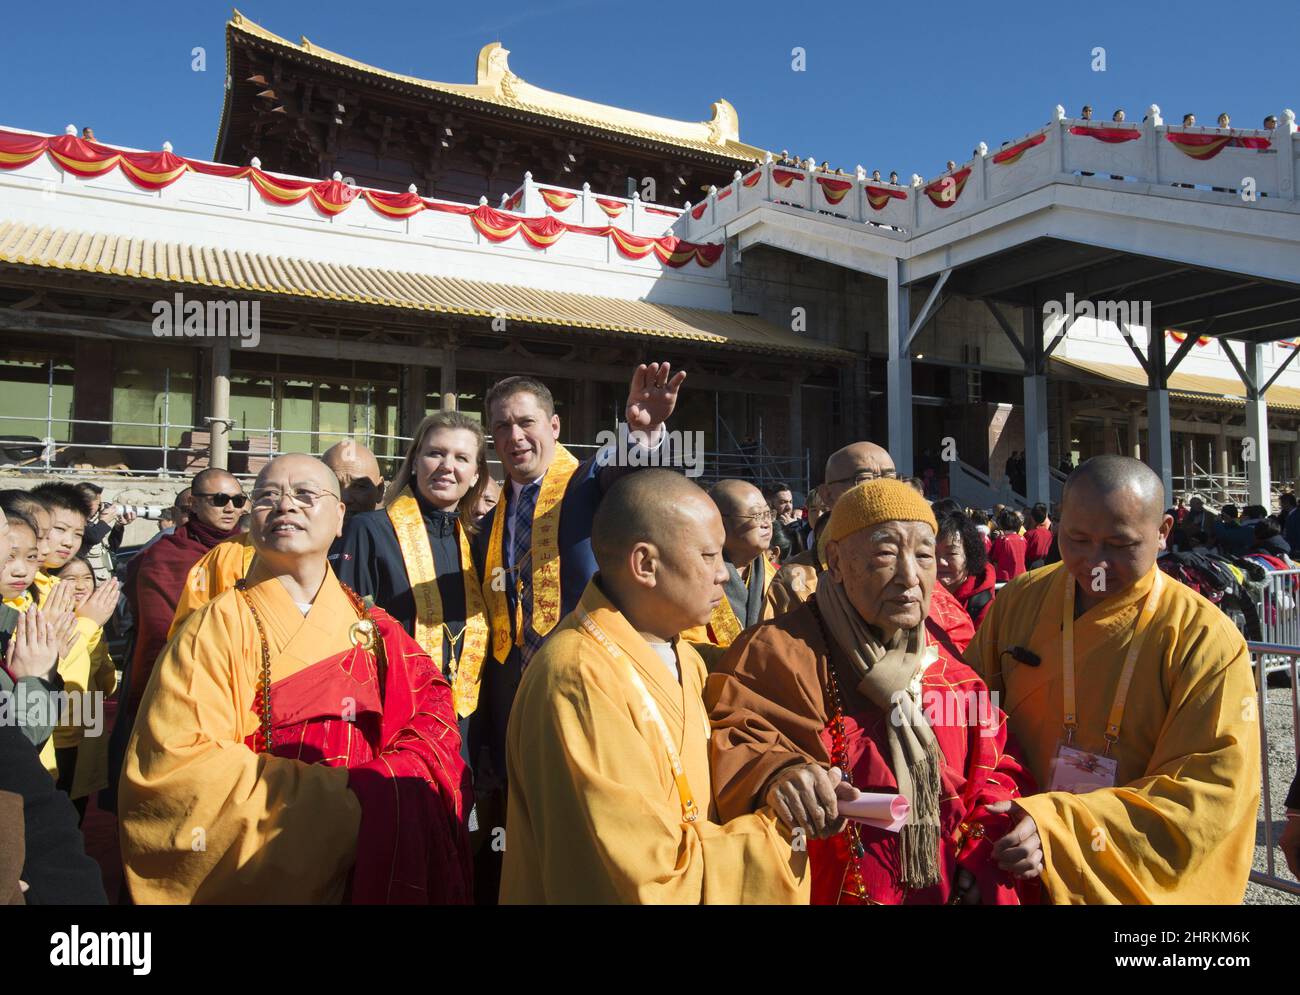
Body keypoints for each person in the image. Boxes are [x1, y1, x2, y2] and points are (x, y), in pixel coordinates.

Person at [119, 455, 472, 904]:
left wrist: (394, 782)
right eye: (268, 496)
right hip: (270, 866)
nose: (286, 505)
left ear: (341, 517)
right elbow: (177, 769)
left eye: (306, 495)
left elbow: (432, 715)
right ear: (252, 519)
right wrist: (359, 800)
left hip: (362, 869)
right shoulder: (214, 626)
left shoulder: (377, 628)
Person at [706, 479, 1035, 904]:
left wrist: (991, 842)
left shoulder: (948, 665)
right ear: (836, 561)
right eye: (885, 553)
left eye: (923, 555)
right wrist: (779, 773)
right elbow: (736, 736)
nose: (909, 576)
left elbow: (996, 764)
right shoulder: (777, 652)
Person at [501, 471, 808, 903]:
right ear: (645, 564)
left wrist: (783, 780)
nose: (724, 574)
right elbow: (643, 876)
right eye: (708, 556)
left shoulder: (682, 654)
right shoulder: (577, 677)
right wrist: (779, 834)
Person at [964, 455, 1260, 903]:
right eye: (1077, 539)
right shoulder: (1021, 599)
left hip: (1118, 875)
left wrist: (1062, 828)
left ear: (1163, 532)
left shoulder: (1204, 638)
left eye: (1119, 545)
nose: (1094, 562)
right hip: (1009, 853)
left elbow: (1209, 791)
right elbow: (968, 712)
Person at [472, 363, 685, 786]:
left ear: (554, 426)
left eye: (526, 422)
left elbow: (633, 478)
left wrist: (642, 434)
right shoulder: (488, 522)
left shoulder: (588, 482)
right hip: (516, 696)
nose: (514, 436)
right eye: (501, 426)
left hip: (591, 681)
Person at [336, 412, 492, 726]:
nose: (447, 466)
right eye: (435, 453)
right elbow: (348, 636)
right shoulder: (370, 531)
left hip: (464, 721)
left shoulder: (478, 542)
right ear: (415, 460)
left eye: (461, 457)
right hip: (393, 716)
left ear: (476, 474)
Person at [107, 469, 247, 810]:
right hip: (180, 673)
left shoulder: (251, 550)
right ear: (194, 505)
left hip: (239, 674)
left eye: (238, 500)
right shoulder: (168, 554)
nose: (230, 508)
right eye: (219, 500)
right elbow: (161, 629)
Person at [765, 442, 976, 658]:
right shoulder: (795, 579)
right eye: (864, 480)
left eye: (889, 479)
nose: (881, 489)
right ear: (827, 495)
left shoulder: (918, 578)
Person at [683, 480, 776, 651]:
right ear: (720, 523)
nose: (767, 523)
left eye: (768, 514)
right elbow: (686, 644)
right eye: (756, 516)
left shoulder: (778, 576)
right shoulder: (693, 578)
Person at [936, 511, 997, 628]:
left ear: (969, 555)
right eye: (931, 553)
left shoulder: (985, 606)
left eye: (951, 553)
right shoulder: (917, 598)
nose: (940, 562)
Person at [75, 482, 133, 585]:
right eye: (98, 504)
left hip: (104, 580)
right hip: (85, 583)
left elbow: (112, 548)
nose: (100, 507)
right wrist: (104, 522)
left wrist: (118, 526)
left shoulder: (96, 522)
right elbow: (93, 537)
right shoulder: (74, 520)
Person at [321, 439, 386, 521]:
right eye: (335, 484)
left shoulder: (399, 532)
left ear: (380, 489)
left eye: (359, 486)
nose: (345, 498)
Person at [989, 508, 1027, 582]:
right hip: (1021, 576)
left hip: (1004, 578)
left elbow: (994, 559)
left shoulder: (1002, 540)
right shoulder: (1023, 539)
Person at [1024, 503, 1053, 568]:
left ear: (1032, 517)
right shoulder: (1050, 534)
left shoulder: (1029, 534)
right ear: (1046, 516)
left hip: (1031, 568)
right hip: (1046, 567)